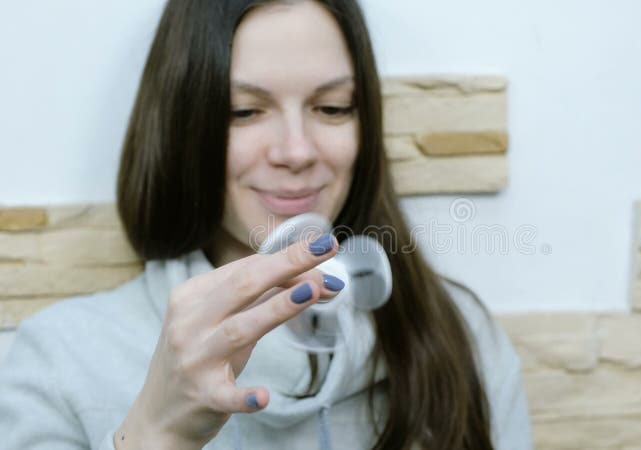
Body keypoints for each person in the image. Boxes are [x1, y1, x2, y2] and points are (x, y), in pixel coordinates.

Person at [0, 1, 533, 449]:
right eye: (244, 112)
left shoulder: (459, 334)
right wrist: (156, 432)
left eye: (332, 107)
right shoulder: (61, 359)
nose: (297, 151)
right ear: (185, 125)